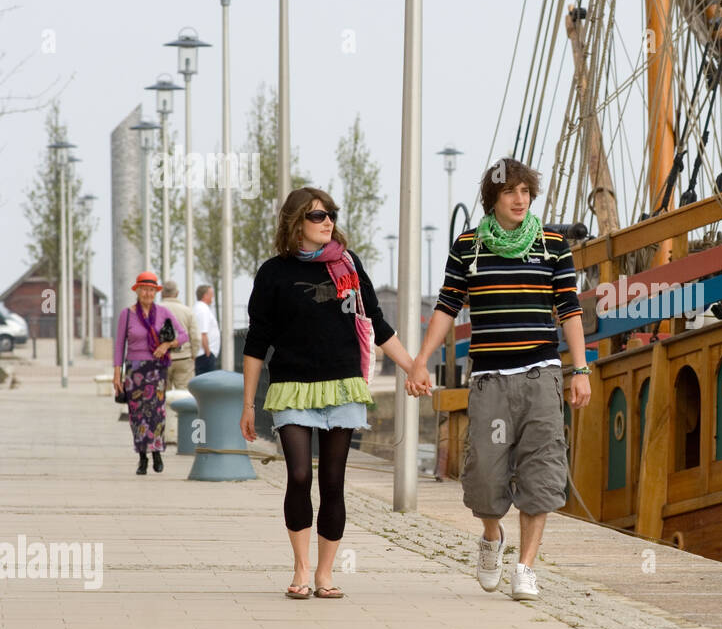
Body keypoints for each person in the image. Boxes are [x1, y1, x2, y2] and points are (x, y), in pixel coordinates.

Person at [407, 158, 592, 601]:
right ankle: (492, 536)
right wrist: (420, 360)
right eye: (510, 192)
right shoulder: (468, 247)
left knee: (542, 471)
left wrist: (580, 369)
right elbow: (447, 307)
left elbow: (569, 309)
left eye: (525, 191)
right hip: (490, 380)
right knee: (485, 479)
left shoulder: (553, 245)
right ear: (493, 199)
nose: (519, 199)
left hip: (541, 375)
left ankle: (526, 568)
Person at [241, 187, 425, 600]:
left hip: (343, 387)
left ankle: (325, 573)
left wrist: (413, 366)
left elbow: (375, 321)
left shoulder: (348, 266)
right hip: (291, 389)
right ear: (295, 223)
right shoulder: (274, 273)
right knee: (300, 475)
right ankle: (301, 567)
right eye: (318, 216)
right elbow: (256, 342)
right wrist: (248, 404)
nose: (328, 222)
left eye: (331, 215)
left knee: (334, 481)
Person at [113, 271, 188, 475]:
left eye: (151, 290)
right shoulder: (127, 314)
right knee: (137, 415)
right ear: (137, 290)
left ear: (156, 292)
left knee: (156, 413)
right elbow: (119, 345)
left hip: (157, 370)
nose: (147, 293)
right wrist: (116, 374)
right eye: (144, 289)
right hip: (135, 370)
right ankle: (142, 457)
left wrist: (166, 345)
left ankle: (156, 452)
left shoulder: (163, 313)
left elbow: (183, 335)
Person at [160, 281, 196, 391]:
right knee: (185, 394)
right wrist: (193, 354)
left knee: (162, 394)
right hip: (184, 358)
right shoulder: (187, 311)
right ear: (177, 293)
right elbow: (195, 336)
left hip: (162, 358)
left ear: (161, 293)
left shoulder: (155, 310)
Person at [193, 284, 220, 374]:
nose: (213, 296)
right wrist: (208, 352)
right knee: (207, 384)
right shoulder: (203, 310)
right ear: (205, 295)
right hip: (205, 355)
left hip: (203, 354)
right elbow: (203, 333)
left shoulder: (199, 308)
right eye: (211, 294)